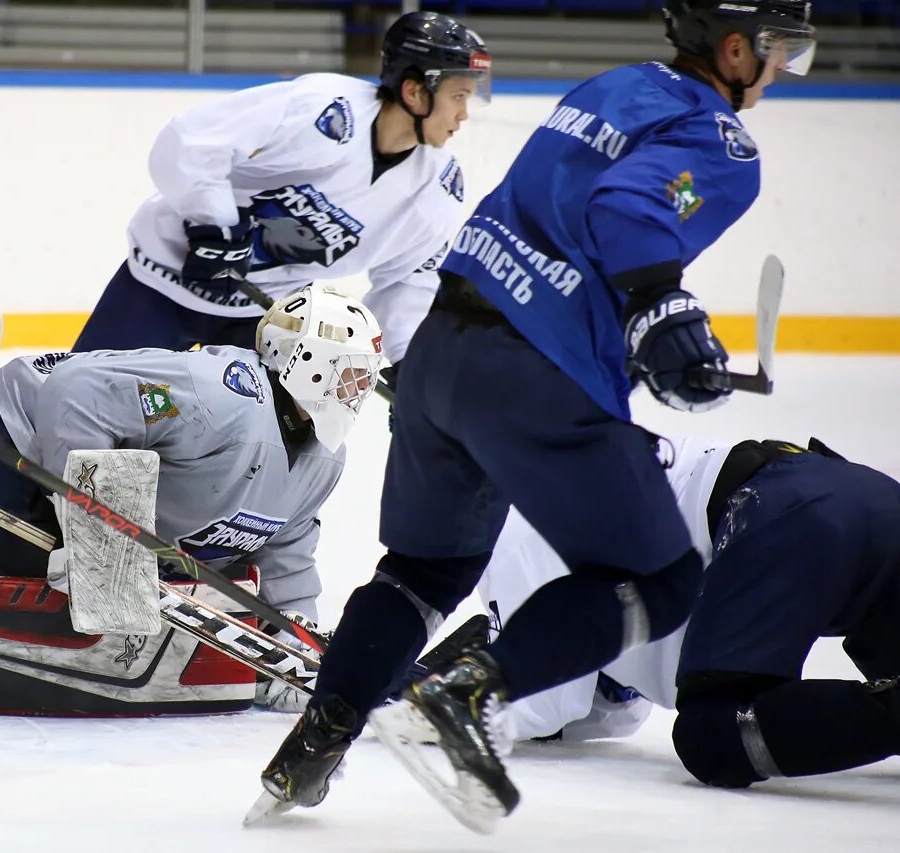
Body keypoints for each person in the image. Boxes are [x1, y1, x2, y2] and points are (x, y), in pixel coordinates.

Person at [247, 0, 818, 833]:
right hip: (533, 372)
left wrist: (647, 335)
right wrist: (661, 311)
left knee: (423, 570)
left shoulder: (613, 86)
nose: (780, 70)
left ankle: (314, 743)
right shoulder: (723, 143)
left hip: (444, 349)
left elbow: (567, 208)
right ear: (735, 47)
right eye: (780, 50)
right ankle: (468, 692)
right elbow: (626, 208)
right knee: (658, 579)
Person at [0, 286, 384, 717]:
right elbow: (75, 392)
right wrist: (84, 527)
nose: (360, 390)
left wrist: (295, 636)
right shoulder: (222, 396)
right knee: (93, 603)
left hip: (91, 493)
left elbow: (287, 545)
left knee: (117, 596)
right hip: (7, 448)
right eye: (353, 374)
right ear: (307, 362)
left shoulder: (322, 458)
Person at [70, 10, 491, 376]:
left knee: (241, 453)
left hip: (262, 322)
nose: (463, 114)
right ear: (415, 92)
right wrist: (215, 223)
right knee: (84, 408)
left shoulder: (436, 187)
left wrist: (406, 364)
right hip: (164, 283)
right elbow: (191, 141)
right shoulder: (323, 109)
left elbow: (408, 279)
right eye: (457, 96)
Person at [476, 434, 900, 789]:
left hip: (785, 513)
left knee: (715, 734)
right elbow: (612, 708)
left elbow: (533, 709)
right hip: (856, 497)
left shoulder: (515, 523)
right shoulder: (560, 469)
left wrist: (429, 689)